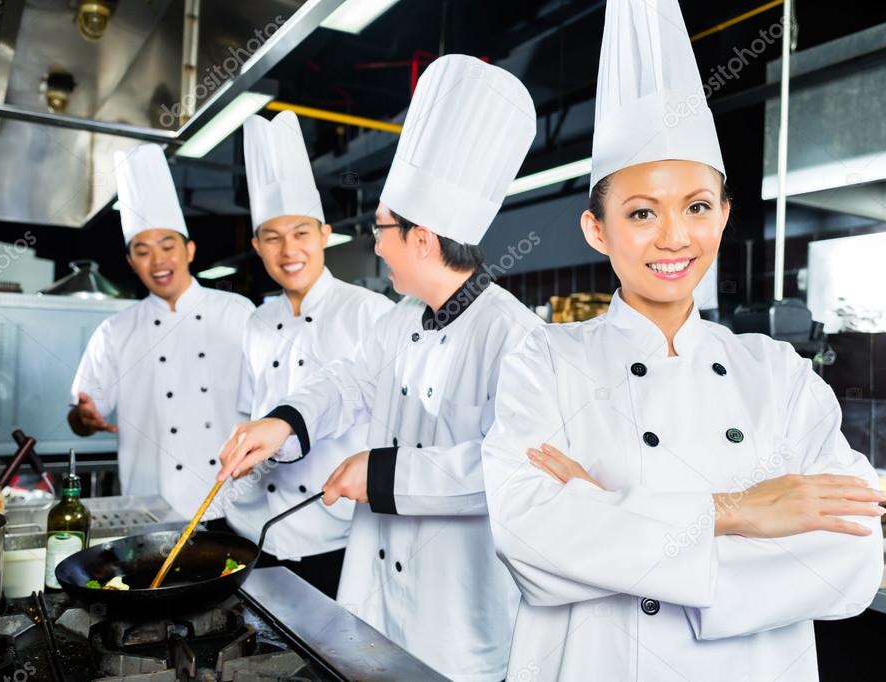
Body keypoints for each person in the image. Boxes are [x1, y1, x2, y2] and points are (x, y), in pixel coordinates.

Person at [480, 2, 885, 680]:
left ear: (723, 214)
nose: (673, 238)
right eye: (641, 213)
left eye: (696, 206)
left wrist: (608, 522)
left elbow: (847, 561)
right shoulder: (544, 361)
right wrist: (740, 512)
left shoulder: (777, 373)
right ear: (596, 230)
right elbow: (530, 548)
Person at [217, 54, 540, 681]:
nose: (375, 243)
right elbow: (343, 382)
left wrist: (384, 472)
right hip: (374, 603)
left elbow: (510, 469)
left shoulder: (517, 337)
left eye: (382, 230)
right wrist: (283, 422)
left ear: (421, 240)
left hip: (456, 618)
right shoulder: (399, 318)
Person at [219, 111, 393, 598]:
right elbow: (250, 411)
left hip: (332, 534)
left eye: (300, 233)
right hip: (254, 534)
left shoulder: (369, 312)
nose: (288, 249)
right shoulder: (256, 321)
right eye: (272, 237)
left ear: (324, 233)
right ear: (257, 245)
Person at [69, 144, 254, 519]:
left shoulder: (238, 314)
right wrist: (85, 417)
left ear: (189, 250)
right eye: (142, 250)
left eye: (167, 246)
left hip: (232, 507)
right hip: (148, 510)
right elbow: (81, 416)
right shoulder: (115, 331)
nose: (157, 261)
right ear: (130, 261)